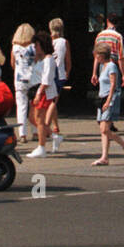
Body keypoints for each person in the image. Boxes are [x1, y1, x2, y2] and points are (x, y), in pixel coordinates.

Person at [92, 42, 124, 165]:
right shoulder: (102, 66)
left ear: (101, 55)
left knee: (105, 129)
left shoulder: (111, 66)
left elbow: (113, 85)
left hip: (110, 98)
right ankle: (105, 156)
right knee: (103, 130)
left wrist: (109, 100)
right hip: (101, 98)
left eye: (97, 55)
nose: (96, 58)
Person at [28, 30, 58, 160]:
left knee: (39, 119)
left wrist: (39, 94)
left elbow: (46, 80)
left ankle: (42, 146)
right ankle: (52, 136)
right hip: (37, 90)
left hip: (43, 91)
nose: (35, 48)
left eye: (36, 45)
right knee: (33, 118)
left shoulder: (49, 60)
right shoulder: (43, 59)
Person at [11, 23, 36, 143]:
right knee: (34, 106)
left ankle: (22, 134)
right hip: (33, 79)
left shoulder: (15, 47)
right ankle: (35, 131)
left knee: (21, 107)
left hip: (19, 80)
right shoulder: (34, 47)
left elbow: (12, 63)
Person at [48, 18, 70, 154]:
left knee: (51, 101)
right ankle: (54, 126)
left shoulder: (48, 42)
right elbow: (68, 60)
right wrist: (67, 73)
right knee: (53, 101)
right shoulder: (65, 42)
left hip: (50, 74)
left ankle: (52, 127)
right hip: (60, 74)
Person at [92, 13, 124, 88]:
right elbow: (121, 57)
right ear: (117, 23)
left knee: (104, 91)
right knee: (114, 91)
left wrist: (94, 73)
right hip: (114, 65)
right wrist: (123, 75)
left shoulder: (99, 35)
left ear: (107, 21)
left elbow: (96, 56)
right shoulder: (118, 36)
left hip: (102, 65)